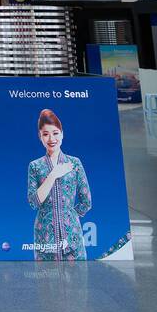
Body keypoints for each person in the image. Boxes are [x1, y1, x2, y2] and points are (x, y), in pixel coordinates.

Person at [27, 108, 91, 262]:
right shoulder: (35, 166)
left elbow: (86, 201)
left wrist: (69, 216)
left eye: (55, 133)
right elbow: (33, 202)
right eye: (46, 134)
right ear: (40, 136)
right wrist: (53, 175)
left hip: (72, 235)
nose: (51, 138)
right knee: (46, 282)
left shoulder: (74, 163)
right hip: (44, 236)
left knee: (78, 281)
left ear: (62, 134)